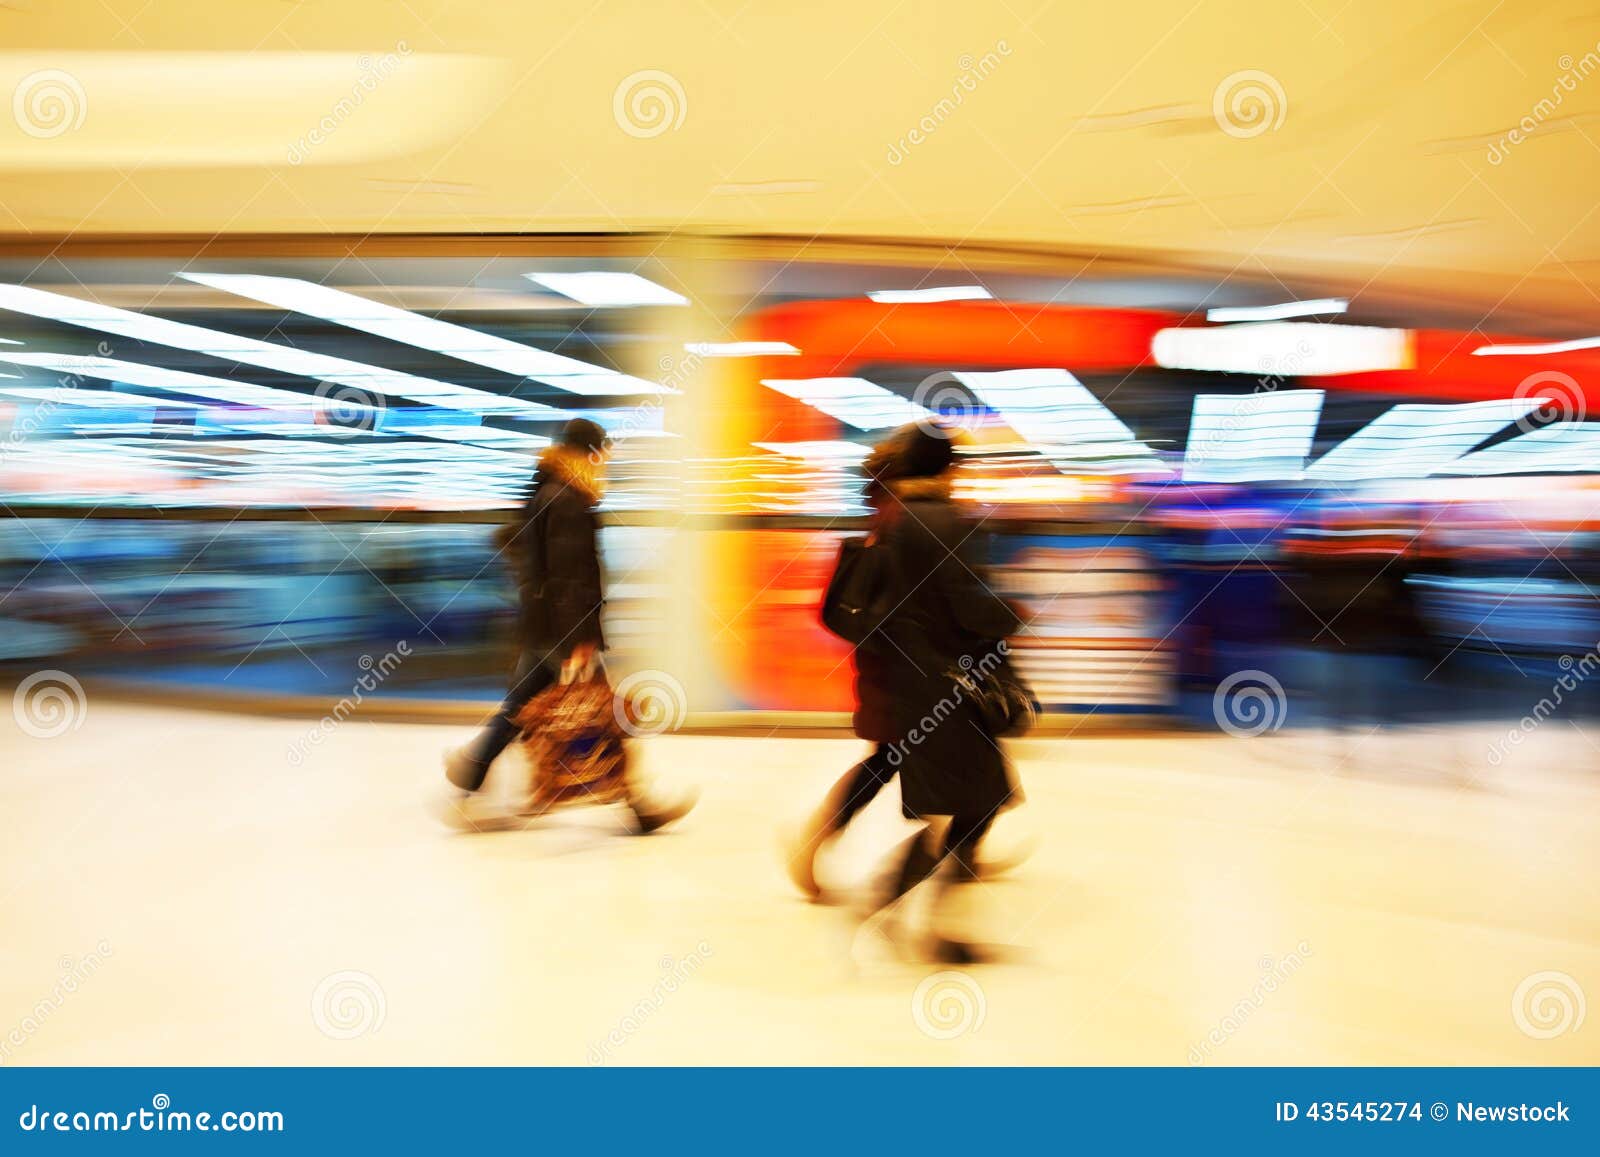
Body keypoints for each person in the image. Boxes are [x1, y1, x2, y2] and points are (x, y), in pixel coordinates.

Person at [806, 423, 1022, 960]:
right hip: (940, 682)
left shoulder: (900, 519)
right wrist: (1012, 615)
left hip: (912, 677)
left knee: (943, 787)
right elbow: (965, 601)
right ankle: (914, 906)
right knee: (970, 793)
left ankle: (912, 896)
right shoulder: (937, 520)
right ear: (945, 468)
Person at [440, 418, 690, 833]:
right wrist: (580, 639)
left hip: (541, 628)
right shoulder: (569, 499)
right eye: (603, 454)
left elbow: (530, 559)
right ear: (589, 453)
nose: (605, 463)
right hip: (563, 633)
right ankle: (638, 805)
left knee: (518, 709)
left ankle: (471, 773)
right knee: (603, 717)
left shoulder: (545, 491)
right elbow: (569, 577)